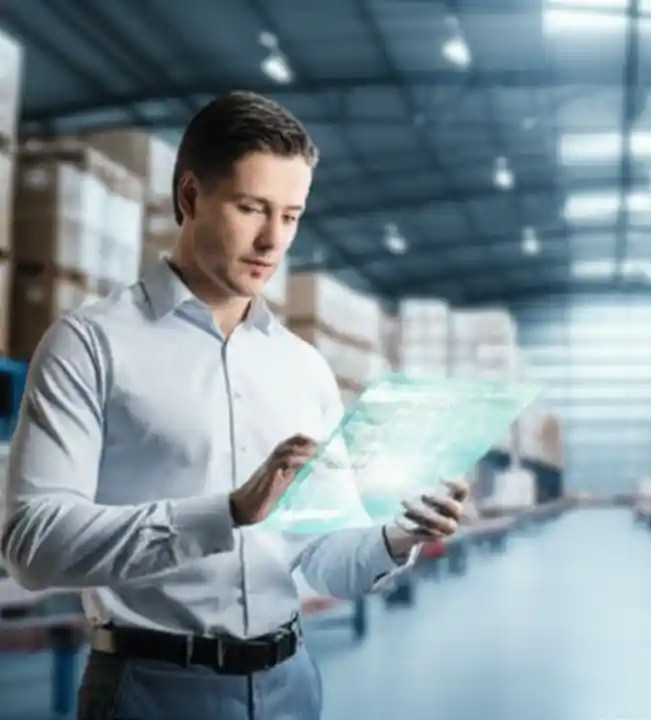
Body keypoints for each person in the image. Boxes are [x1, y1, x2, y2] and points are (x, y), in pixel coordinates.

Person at [1, 91, 466, 719]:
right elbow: (33, 546)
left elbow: (324, 561)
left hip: (292, 685)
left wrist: (398, 536)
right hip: (152, 689)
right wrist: (226, 512)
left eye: (292, 215)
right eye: (252, 208)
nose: (273, 240)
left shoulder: (303, 368)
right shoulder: (91, 345)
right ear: (190, 197)